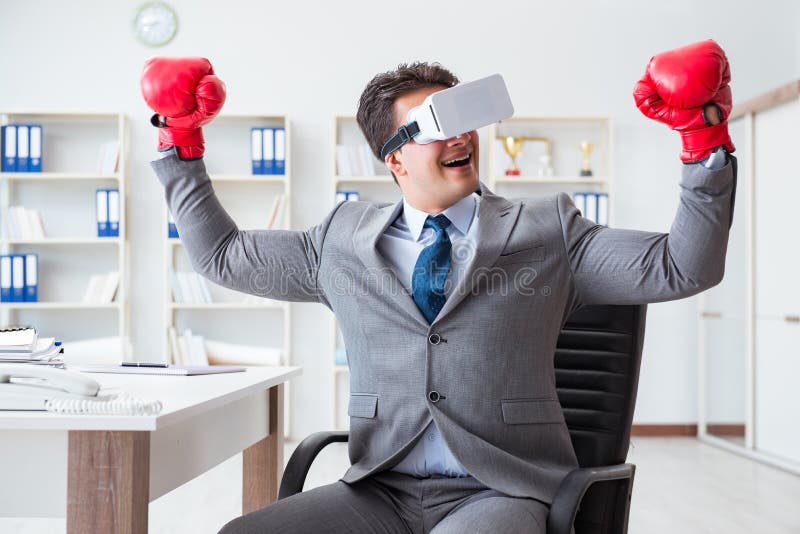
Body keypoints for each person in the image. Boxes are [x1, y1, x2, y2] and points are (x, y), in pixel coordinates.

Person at [141, 39, 736, 534]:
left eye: (463, 120)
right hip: (380, 490)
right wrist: (179, 145)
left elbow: (682, 266)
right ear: (394, 158)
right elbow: (222, 256)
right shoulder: (342, 239)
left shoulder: (548, 230)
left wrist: (702, 142)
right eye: (434, 129)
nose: (461, 138)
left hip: (502, 491)